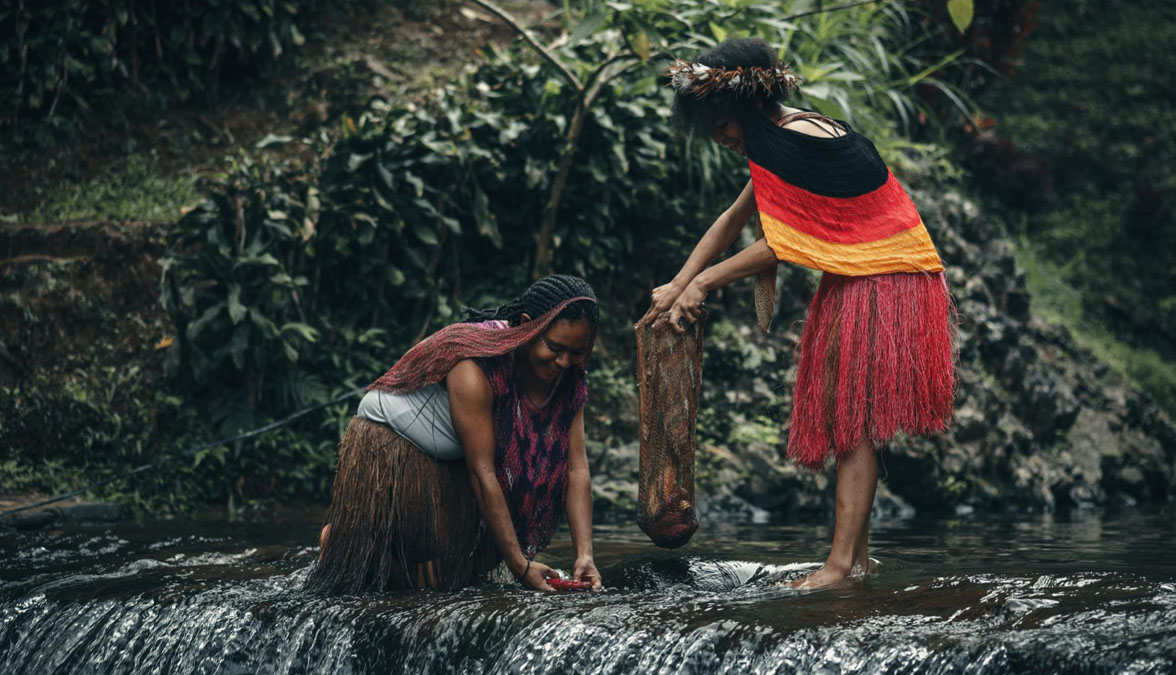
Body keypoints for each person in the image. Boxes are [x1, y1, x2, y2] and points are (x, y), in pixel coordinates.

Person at [640, 38, 956, 589]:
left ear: (744, 110)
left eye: (720, 125)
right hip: (868, 275)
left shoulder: (796, 141)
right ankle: (854, 560)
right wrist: (678, 284)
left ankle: (838, 567)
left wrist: (707, 283)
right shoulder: (787, 133)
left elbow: (780, 244)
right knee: (851, 424)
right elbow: (733, 219)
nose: (720, 138)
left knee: (853, 426)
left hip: (886, 276)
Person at [305, 275, 603, 593]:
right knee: (420, 584)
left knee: (469, 572)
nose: (563, 361)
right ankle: (342, 540)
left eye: (576, 352)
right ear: (528, 326)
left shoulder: (569, 377)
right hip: (398, 445)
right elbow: (482, 472)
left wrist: (584, 555)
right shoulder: (476, 364)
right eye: (555, 348)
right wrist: (520, 566)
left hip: (453, 453)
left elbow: (576, 466)